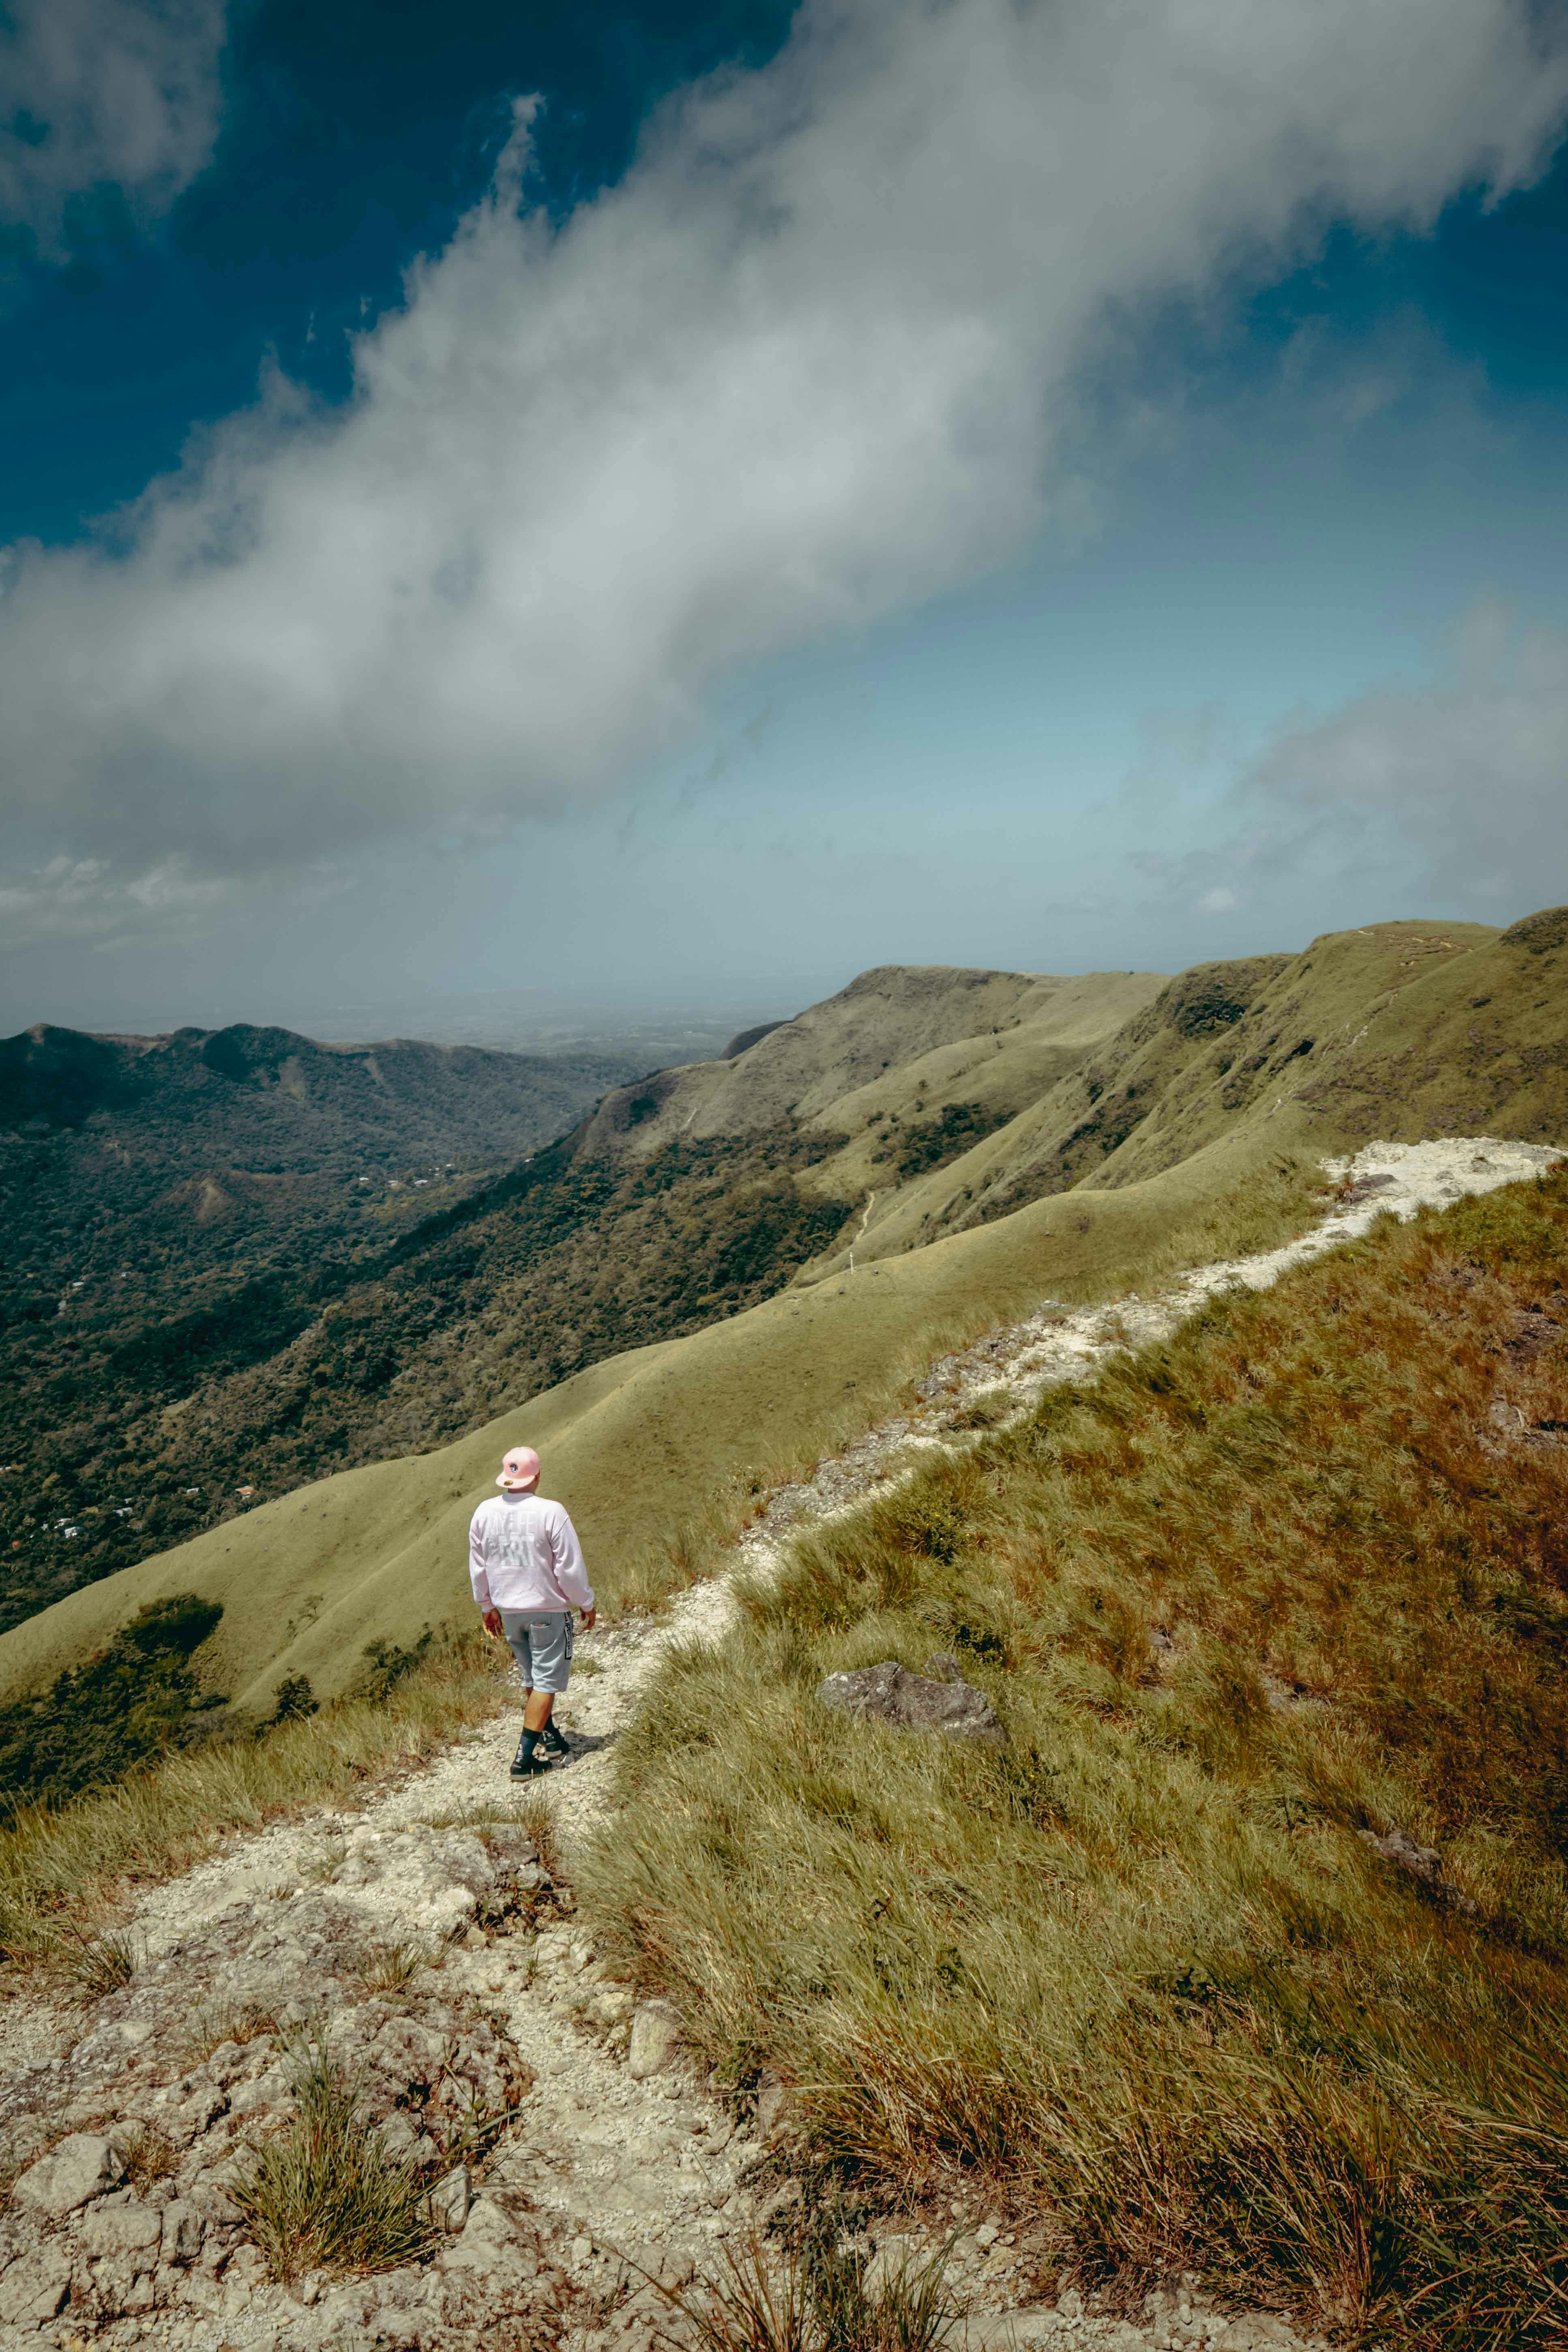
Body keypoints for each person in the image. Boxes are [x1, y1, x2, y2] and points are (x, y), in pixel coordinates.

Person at [469, 1445, 596, 1778]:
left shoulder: (483, 1511)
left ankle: (552, 1740)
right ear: (537, 1476)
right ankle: (523, 1761)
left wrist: (486, 1606)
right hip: (548, 1609)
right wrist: (586, 1602)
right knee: (546, 1683)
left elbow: (478, 1565)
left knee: (532, 1678)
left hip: (509, 1610)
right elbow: (569, 1568)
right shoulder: (551, 1511)